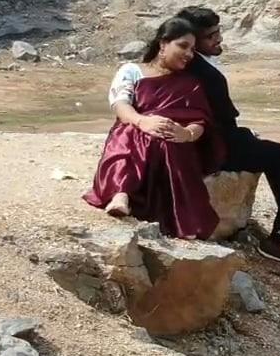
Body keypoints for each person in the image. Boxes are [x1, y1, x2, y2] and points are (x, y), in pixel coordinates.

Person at [174, 6, 280, 264]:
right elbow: (218, 119)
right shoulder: (202, 72)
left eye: (218, 31)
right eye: (211, 35)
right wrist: (244, 137)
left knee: (273, 155)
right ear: (193, 42)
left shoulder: (194, 64)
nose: (219, 38)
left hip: (215, 139)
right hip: (214, 147)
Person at [83, 17, 224, 239]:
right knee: (127, 131)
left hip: (173, 142)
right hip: (135, 131)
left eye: (193, 50)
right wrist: (143, 122)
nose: (189, 54)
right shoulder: (132, 71)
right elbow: (121, 105)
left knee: (166, 144)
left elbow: (201, 120)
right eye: (183, 46)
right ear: (163, 44)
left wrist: (186, 134)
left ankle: (175, 213)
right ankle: (121, 194)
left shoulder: (190, 83)